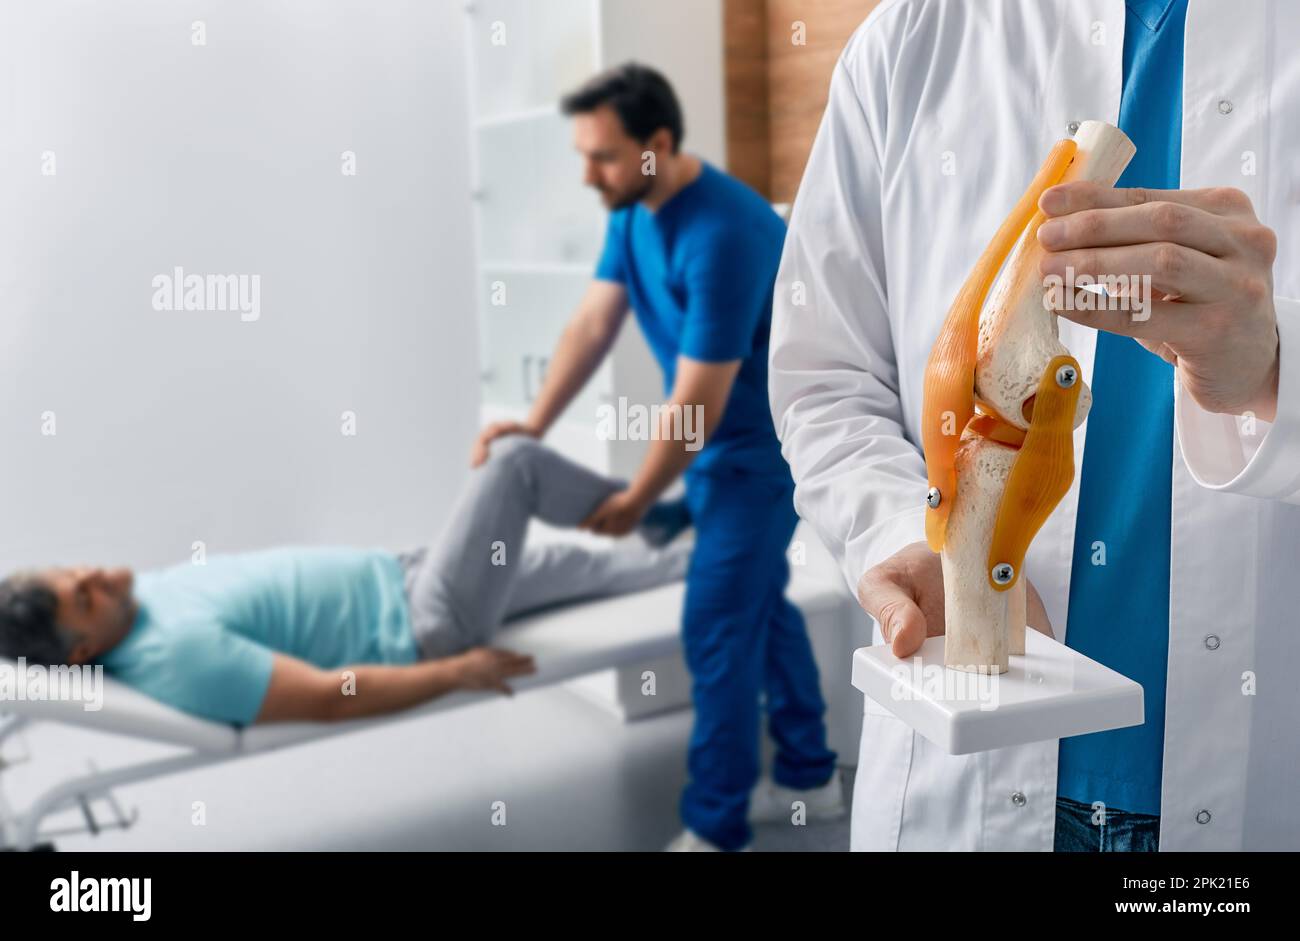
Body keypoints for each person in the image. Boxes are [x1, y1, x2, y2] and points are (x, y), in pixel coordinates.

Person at [769, 0, 1299, 851]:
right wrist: (913, 531)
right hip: (956, 793)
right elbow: (827, 377)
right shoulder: (910, 38)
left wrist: (1278, 372)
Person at [470, 63, 840, 851]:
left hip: (762, 455)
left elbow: (696, 407)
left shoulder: (723, 234)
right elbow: (590, 325)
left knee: (714, 617)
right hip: (713, 454)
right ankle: (810, 773)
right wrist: (530, 425)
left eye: (601, 155)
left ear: (657, 145)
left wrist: (637, 499)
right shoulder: (631, 207)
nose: (587, 174)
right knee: (756, 603)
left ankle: (715, 825)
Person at [0, 436, 690, 726]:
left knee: (583, 568)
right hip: (427, 623)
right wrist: (457, 670)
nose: (88, 573)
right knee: (511, 461)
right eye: (79, 595)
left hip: (406, 576)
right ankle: (660, 513)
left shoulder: (133, 604)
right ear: (82, 649)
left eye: (70, 570)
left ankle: (701, 552)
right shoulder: (175, 657)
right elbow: (331, 697)